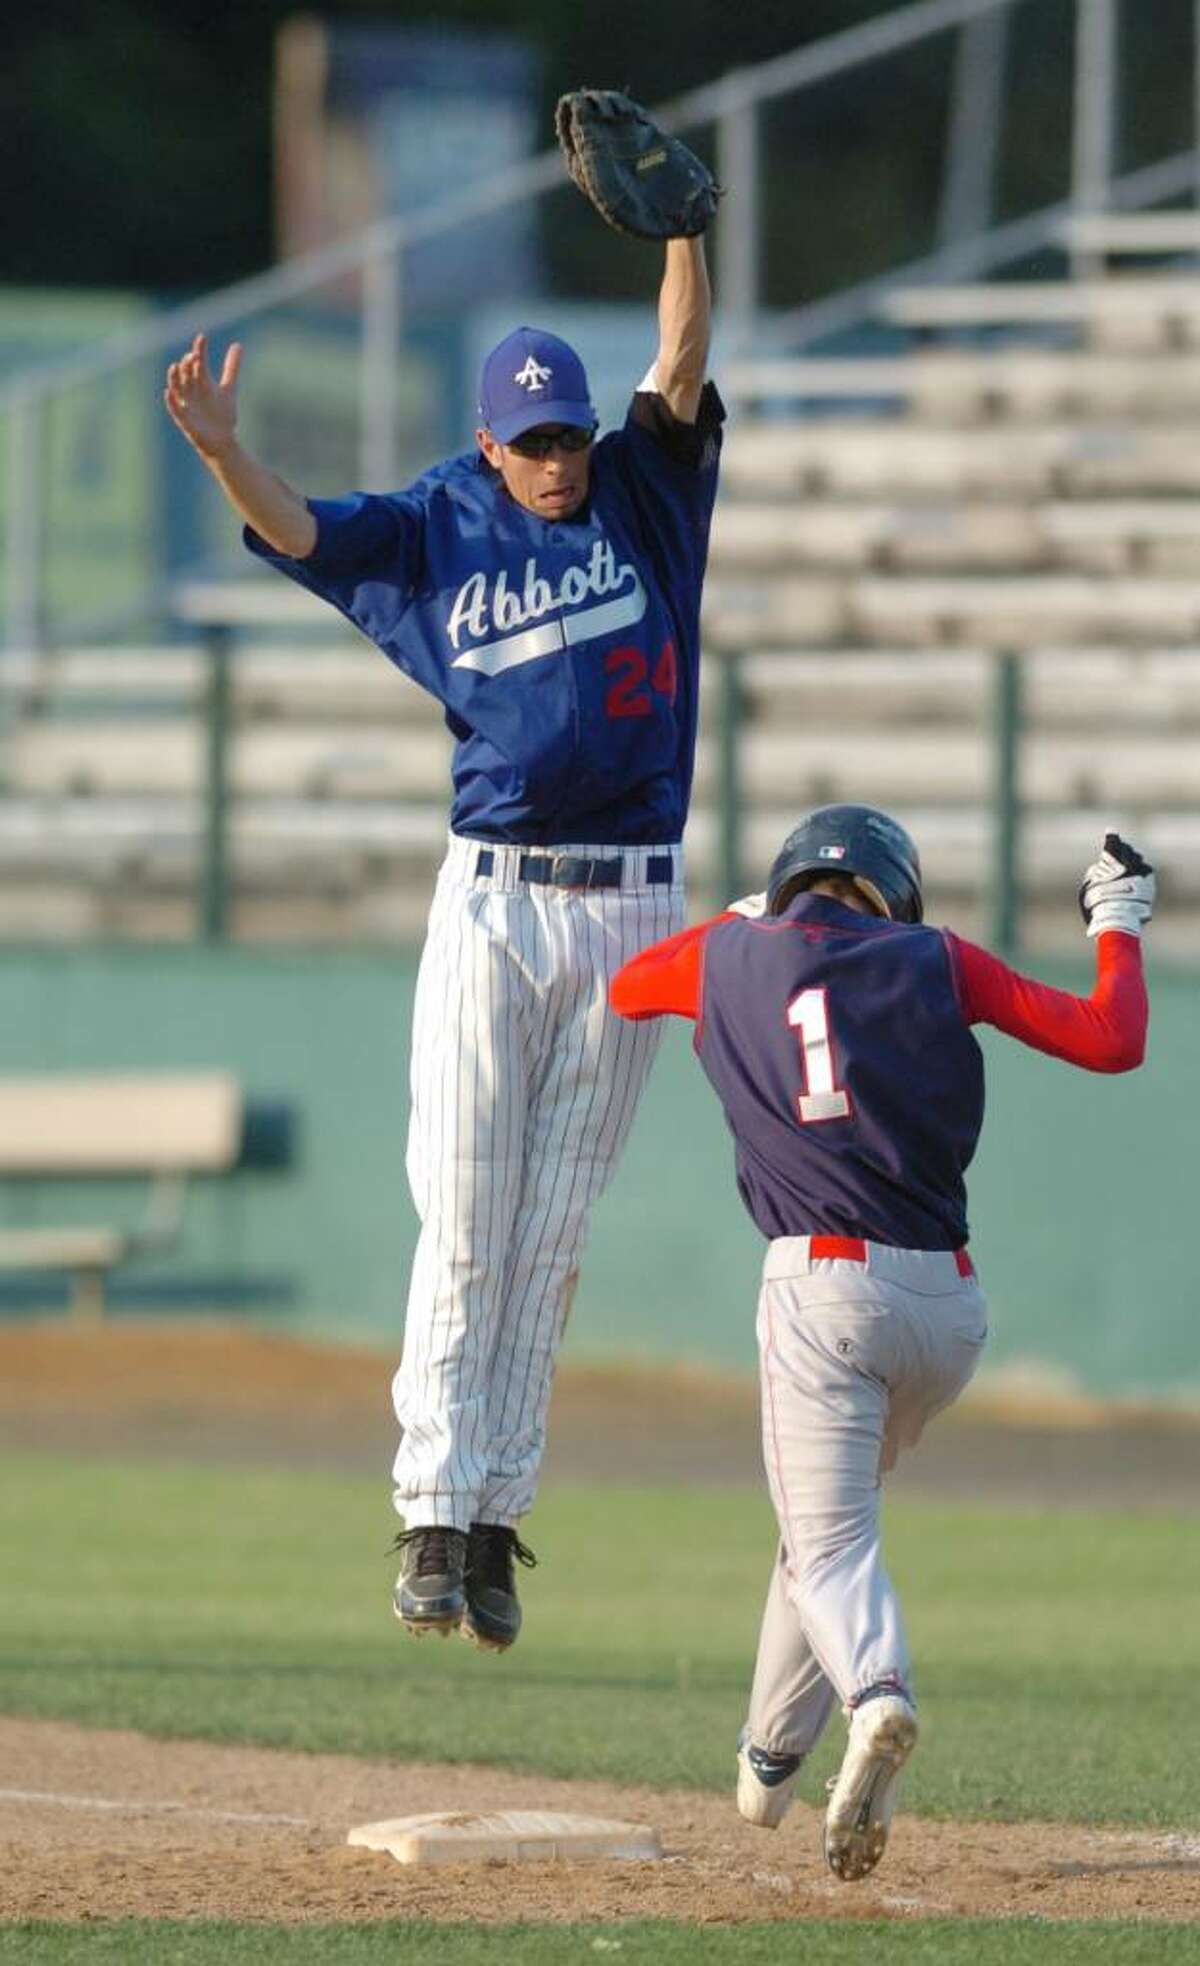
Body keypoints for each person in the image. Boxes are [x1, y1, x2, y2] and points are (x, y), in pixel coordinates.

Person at [163, 232, 722, 1653]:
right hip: (496, 896)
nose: (554, 461)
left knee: (552, 1238)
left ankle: (490, 1525)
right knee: (468, 1214)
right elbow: (301, 529)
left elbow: (682, 362)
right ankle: (427, 1506)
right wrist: (226, 454)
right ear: (488, 437)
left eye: (566, 435)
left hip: (637, 901)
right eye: (529, 440)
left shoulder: (645, 493)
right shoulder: (436, 526)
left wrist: (684, 230)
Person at [610, 806, 1152, 1881]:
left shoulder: (730, 953)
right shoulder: (940, 959)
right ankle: (769, 1763)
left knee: (830, 1550)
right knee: (818, 1528)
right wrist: (1119, 922)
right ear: (894, 894)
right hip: (946, 1307)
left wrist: (736, 919)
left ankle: (880, 1692)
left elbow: (628, 987)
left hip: (821, 1288)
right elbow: (1112, 1039)